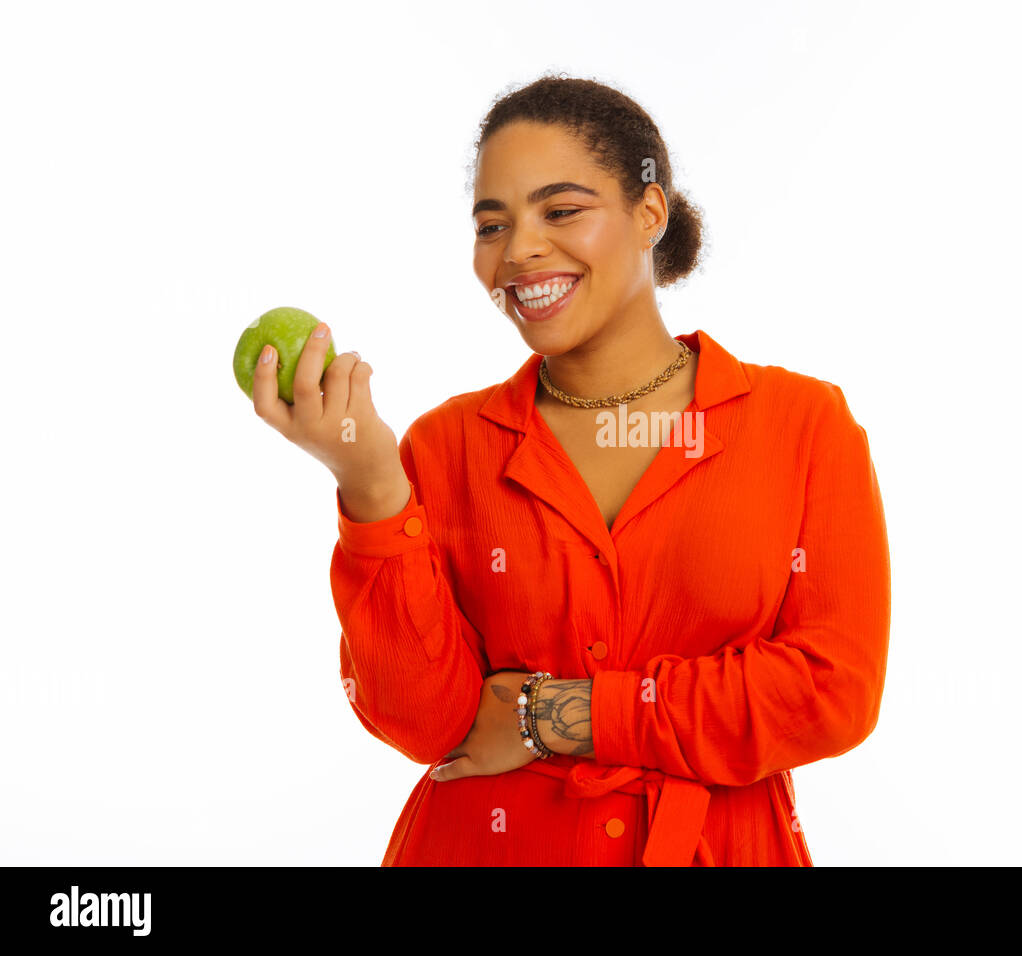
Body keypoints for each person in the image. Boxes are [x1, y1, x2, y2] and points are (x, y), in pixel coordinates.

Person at [251, 73, 891, 865]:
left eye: (561, 212)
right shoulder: (445, 445)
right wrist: (372, 486)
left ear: (649, 212)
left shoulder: (803, 425)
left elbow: (833, 692)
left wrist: (551, 712)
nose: (518, 251)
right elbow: (424, 723)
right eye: (493, 224)